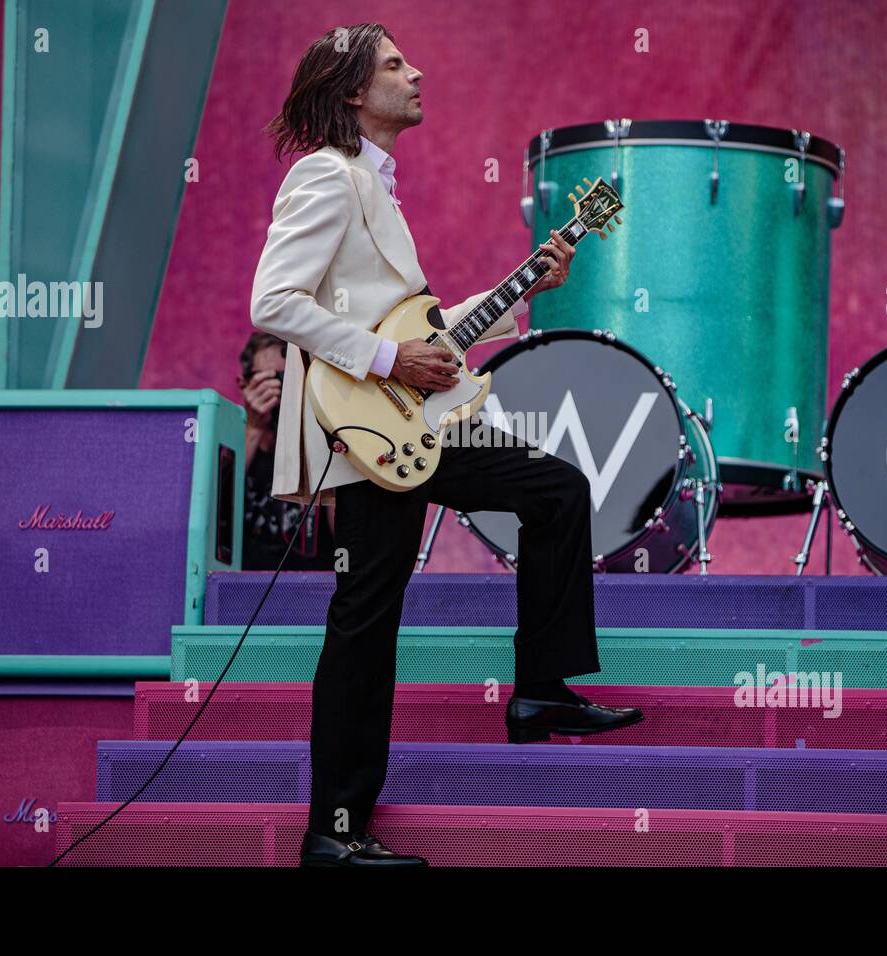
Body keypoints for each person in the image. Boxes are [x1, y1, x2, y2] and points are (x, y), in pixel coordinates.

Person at [250, 22, 642, 868]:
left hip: (413, 425)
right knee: (365, 621)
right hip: (360, 434)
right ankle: (335, 831)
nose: (417, 71)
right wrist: (389, 358)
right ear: (354, 91)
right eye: (394, 64)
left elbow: (420, 326)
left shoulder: (377, 190)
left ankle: (539, 692)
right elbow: (274, 302)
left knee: (556, 489)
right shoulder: (327, 175)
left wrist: (527, 284)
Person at [236, 331, 337, 571]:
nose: (278, 389)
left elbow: (346, 536)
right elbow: (216, 509)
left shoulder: (319, 441)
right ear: (244, 384)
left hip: (314, 586)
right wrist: (253, 428)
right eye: (266, 379)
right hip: (242, 586)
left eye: (285, 378)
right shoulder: (227, 438)